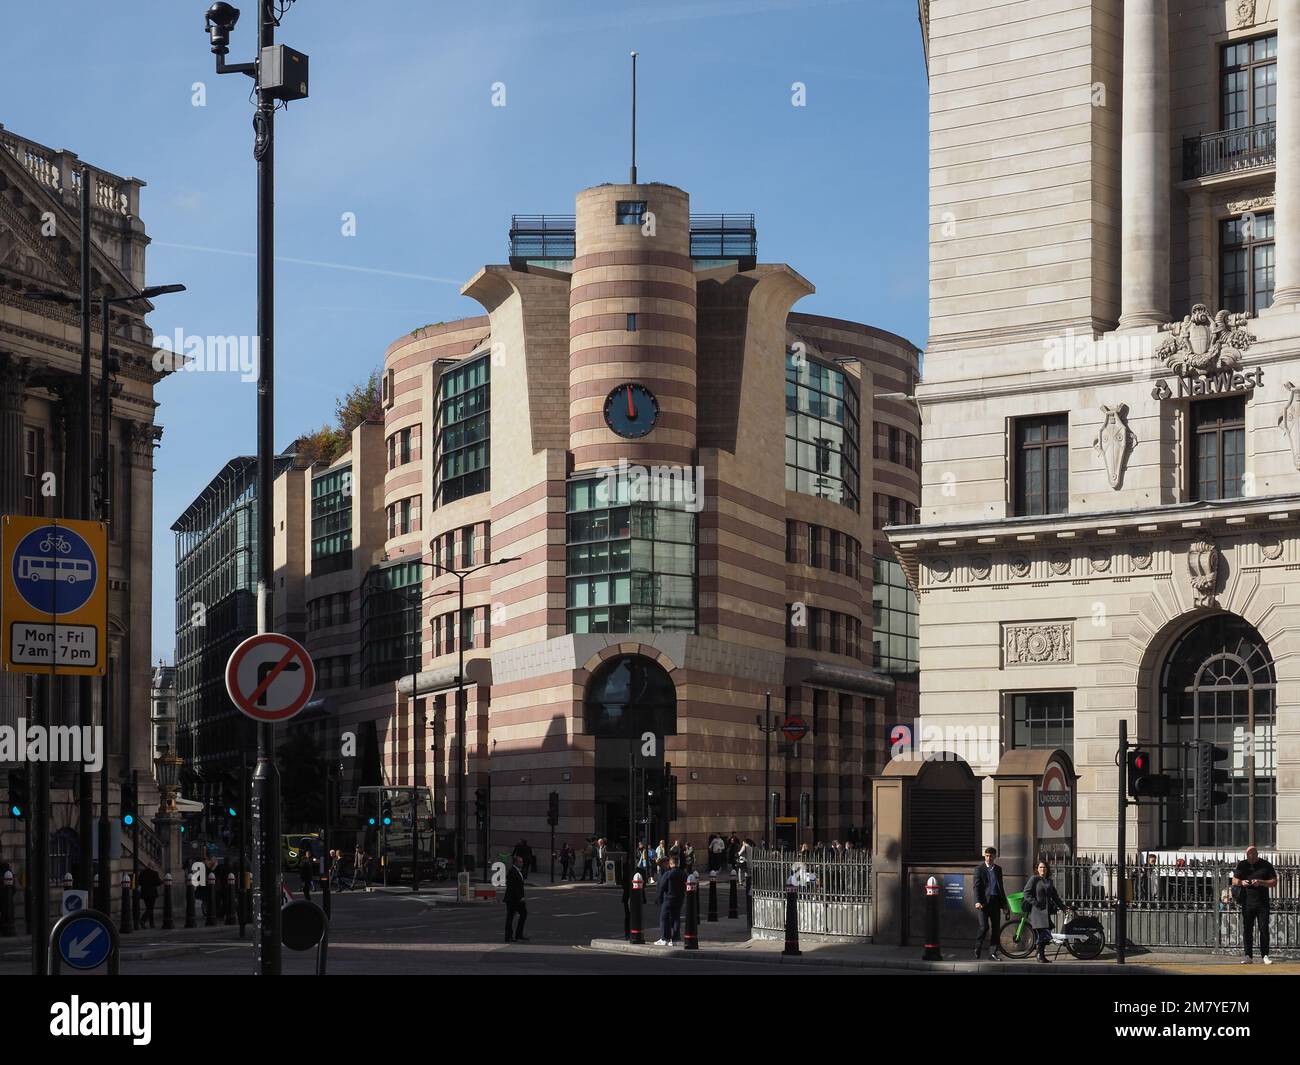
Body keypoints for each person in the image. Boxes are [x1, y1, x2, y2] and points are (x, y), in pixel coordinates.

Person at [1232, 846, 1278, 964]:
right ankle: (1248, 956)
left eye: (1253, 856)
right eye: (1249, 856)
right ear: (1246, 855)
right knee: (1247, 929)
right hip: (1247, 902)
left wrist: (1261, 882)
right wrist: (1242, 882)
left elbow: (1274, 882)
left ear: (1257, 854)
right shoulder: (1242, 865)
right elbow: (1234, 880)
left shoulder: (1266, 865)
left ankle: (1265, 955)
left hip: (1262, 902)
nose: (1251, 858)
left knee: (1263, 928)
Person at [1022, 859, 1065, 964]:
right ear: (1037, 869)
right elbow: (1026, 893)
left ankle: (1041, 955)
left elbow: (1055, 896)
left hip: (1046, 912)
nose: (1043, 869)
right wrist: (1036, 903)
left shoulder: (1049, 881)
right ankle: (1039, 955)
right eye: (1040, 867)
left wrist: (1063, 907)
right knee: (1043, 933)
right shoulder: (1034, 879)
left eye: (1044, 867)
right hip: (1037, 911)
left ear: (1047, 869)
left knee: (1045, 934)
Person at [973, 846, 1007, 960]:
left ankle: (992, 953)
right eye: (986, 856)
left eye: (991, 856)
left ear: (994, 856)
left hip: (995, 901)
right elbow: (976, 887)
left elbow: (1000, 887)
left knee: (996, 928)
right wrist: (977, 901)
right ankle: (977, 946)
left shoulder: (998, 869)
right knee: (984, 927)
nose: (988, 858)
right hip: (983, 903)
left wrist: (1005, 904)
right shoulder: (979, 869)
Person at [655, 856, 685, 946]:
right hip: (679, 899)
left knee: (664, 918)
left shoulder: (668, 874)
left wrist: (658, 898)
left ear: (671, 864)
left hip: (668, 899)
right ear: (678, 863)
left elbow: (662, 887)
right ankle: (675, 939)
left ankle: (665, 938)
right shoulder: (683, 874)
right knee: (676, 918)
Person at [504, 854, 528, 942]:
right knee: (510, 917)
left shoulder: (518, 871)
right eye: (520, 862)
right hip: (513, 899)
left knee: (523, 914)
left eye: (522, 861)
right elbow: (513, 887)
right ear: (516, 862)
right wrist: (520, 897)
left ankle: (518, 935)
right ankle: (509, 936)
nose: (522, 863)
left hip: (517, 899)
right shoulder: (512, 871)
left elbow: (519, 886)